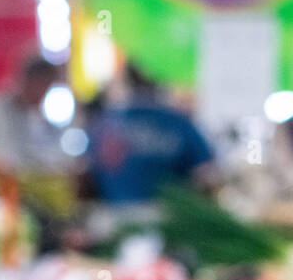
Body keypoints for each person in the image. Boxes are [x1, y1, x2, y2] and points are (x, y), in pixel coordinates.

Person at [85, 65, 217, 205]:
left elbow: (87, 170)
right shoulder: (178, 123)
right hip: (171, 218)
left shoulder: (105, 124)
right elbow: (206, 173)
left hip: (113, 214)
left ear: (126, 80)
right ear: (159, 80)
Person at [0, 56, 69, 175]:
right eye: (39, 85)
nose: (41, 93)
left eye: (46, 88)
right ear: (24, 79)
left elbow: (55, 158)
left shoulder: (39, 119)